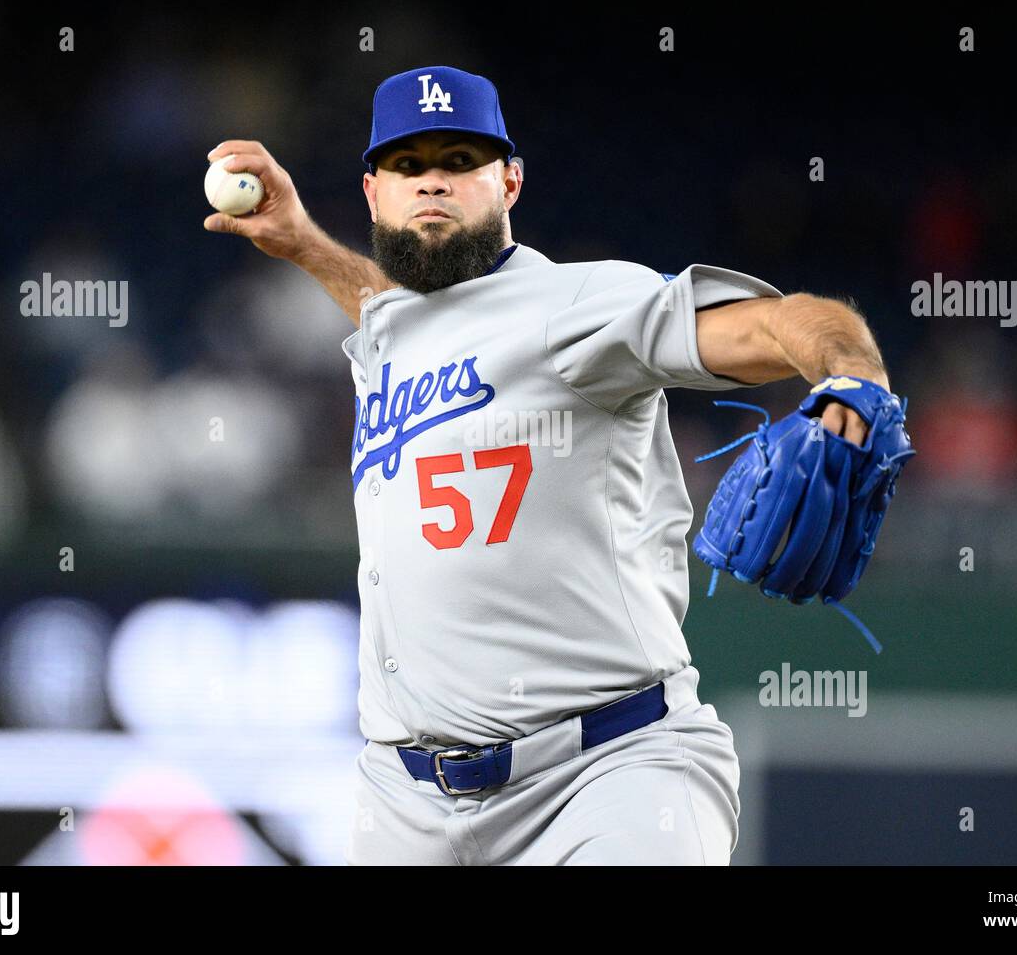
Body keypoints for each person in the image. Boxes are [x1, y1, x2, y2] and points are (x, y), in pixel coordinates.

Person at [204, 65, 890, 865]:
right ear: (372, 190)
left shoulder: (582, 305)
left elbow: (778, 324)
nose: (434, 182)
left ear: (510, 182)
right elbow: (400, 313)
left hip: (607, 774)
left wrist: (851, 376)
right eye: (409, 164)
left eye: (460, 161)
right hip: (402, 801)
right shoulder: (397, 326)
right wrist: (304, 245)